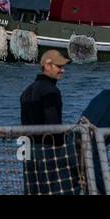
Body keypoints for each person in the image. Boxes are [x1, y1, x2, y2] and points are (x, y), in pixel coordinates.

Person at [20, 51, 78, 194]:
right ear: (47, 65)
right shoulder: (51, 91)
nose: (63, 70)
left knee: (33, 190)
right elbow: (53, 124)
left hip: (27, 149)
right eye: (59, 66)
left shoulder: (27, 91)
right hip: (48, 150)